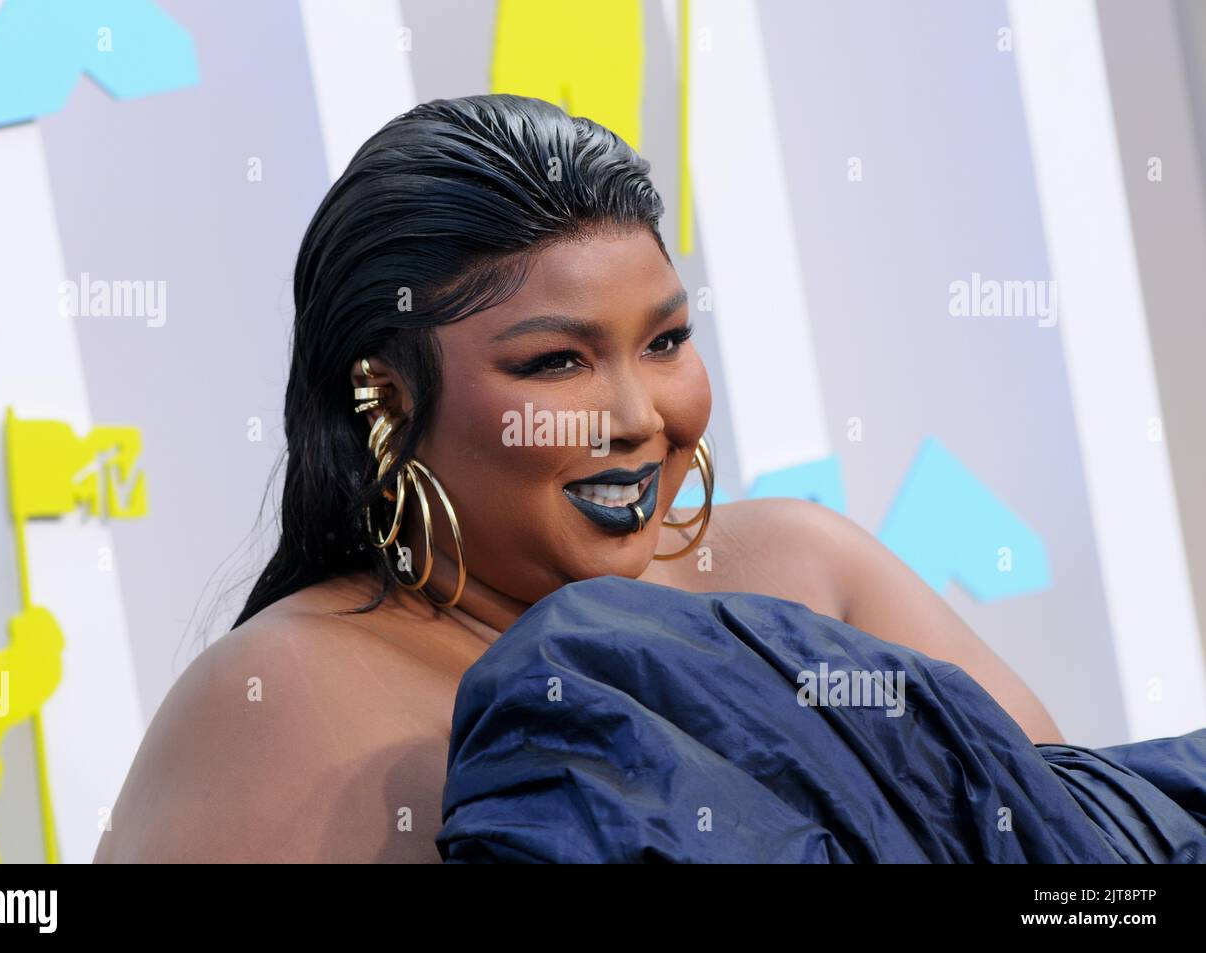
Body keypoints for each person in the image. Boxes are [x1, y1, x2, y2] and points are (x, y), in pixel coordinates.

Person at [93, 93, 1063, 864]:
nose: (640, 415)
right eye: (557, 362)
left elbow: (1082, 847)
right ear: (386, 400)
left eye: (665, 341)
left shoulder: (811, 570)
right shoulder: (279, 694)